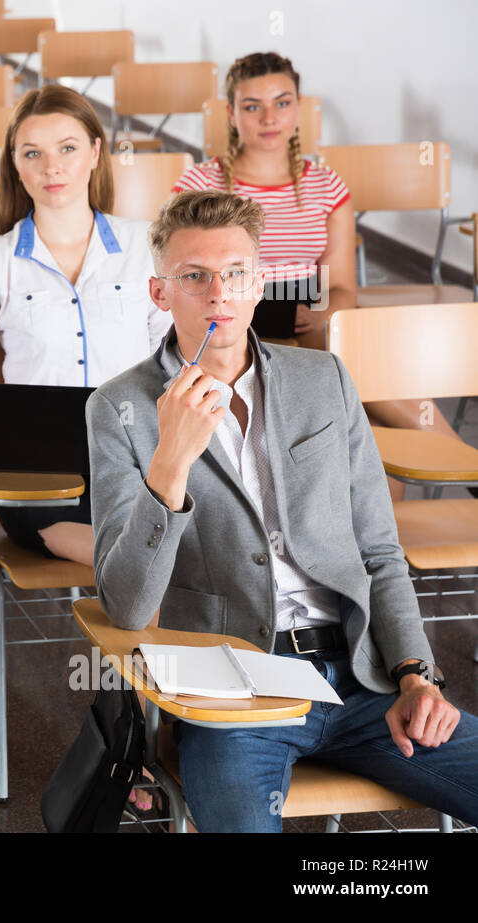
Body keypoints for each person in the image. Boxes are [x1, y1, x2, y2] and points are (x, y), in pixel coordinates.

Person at [86, 189, 478, 832]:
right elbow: (127, 606)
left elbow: (379, 550)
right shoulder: (118, 408)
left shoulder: (324, 378)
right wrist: (170, 465)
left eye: (236, 273)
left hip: (363, 681)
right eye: (195, 277)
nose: (220, 294)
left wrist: (415, 676)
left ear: (259, 282)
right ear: (161, 293)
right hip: (233, 694)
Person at [0, 85, 168, 607]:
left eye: (68, 148)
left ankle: (129, 683)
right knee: (148, 557)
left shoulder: (146, 247)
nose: (53, 167)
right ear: (16, 168)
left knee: (169, 539)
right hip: (45, 487)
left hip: (143, 465)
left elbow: (179, 367)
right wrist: (24, 429)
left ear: (95, 153)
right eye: (33, 154)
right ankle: (131, 678)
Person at [171, 51, 463, 494]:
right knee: (356, 381)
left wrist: (326, 314)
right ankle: (464, 458)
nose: (269, 117)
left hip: (305, 320)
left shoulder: (326, 186)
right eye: (252, 106)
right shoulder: (198, 185)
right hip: (225, 317)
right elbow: (180, 273)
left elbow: (343, 287)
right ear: (231, 114)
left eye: (282, 103)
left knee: (362, 380)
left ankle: (409, 515)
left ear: (298, 108)